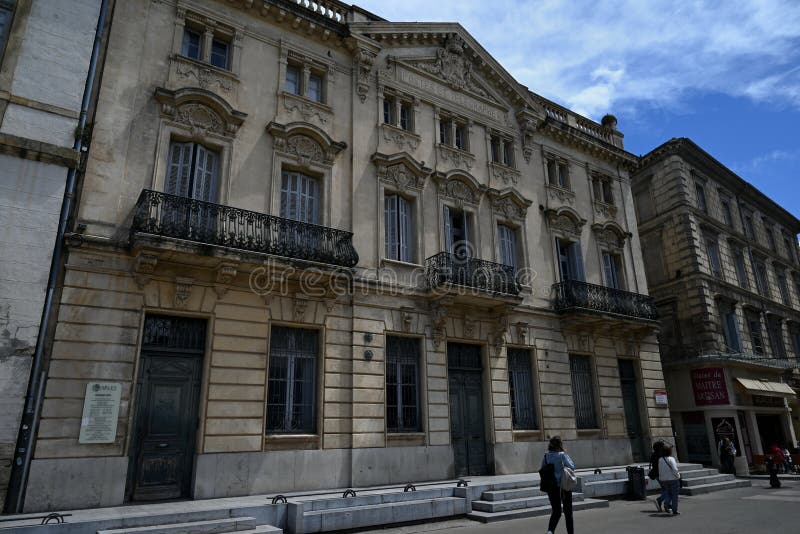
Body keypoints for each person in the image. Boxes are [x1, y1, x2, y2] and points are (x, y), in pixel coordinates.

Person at [542, 436, 576, 534]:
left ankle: (550, 531)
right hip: (563, 486)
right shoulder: (562, 455)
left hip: (551, 487)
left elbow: (543, 468)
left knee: (556, 511)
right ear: (560, 444)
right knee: (568, 512)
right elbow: (572, 466)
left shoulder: (546, 455)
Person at [658, 445, 681, 516]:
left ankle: (667, 503)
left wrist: (661, 478)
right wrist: (678, 476)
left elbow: (660, 469)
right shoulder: (671, 459)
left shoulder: (660, 459)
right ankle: (675, 510)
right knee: (674, 495)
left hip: (664, 479)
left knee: (668, 493)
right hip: (673, 479)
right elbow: (675, 469)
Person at [650, 440, 670, 513]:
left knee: (665, 489)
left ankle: (666, 504)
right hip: (661, 475)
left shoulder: (654, 454)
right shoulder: (660, 455)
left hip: (658, 474)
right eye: (663, 446)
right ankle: (660, 500)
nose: (664, 447)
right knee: (668, 490)